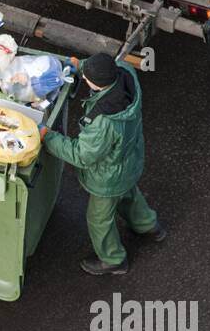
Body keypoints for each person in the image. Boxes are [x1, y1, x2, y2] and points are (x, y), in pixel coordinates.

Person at [40, 53, 166, 276]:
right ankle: (148, 227)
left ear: (97, 84)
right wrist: (82, 66)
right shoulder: (126, 73)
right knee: (128, 195)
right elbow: (107, 65)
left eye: (87, 79)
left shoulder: (104, 122)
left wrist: (48, 138)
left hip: (108, 177)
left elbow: (82, 155)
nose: (85, 81)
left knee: (99, 219)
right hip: (128, 160)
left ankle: (113, 259)